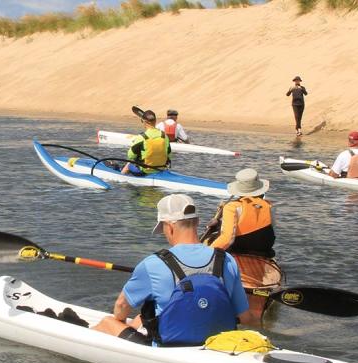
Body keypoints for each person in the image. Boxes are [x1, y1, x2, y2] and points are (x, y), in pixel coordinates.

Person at [94, 194, 250, 346]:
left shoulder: (153, 264)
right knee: (141, 318)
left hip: (168, 345)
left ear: (169, 227)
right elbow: (244, 316)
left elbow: (121, 307)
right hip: (218, 344)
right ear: (197, 221)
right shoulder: (227, 259)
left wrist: (120, 323)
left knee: (108, 322)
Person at [202, 169, 282, 325]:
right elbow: (271, 233)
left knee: (211, 243)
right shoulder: (269, 206)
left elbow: (227, 239)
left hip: (236, 255)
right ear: (260, 190)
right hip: (262, 257)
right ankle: (256, 316)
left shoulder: (232, 207)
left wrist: (204, 252)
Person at [122, 109, 172, 176]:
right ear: (155, 121)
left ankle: (120, 176)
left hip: (145, 171)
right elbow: (169, 155)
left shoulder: (141, 137)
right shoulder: (164, 136)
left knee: (129, 164)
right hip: (161, 169)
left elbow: (130, 156)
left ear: (143, 121)